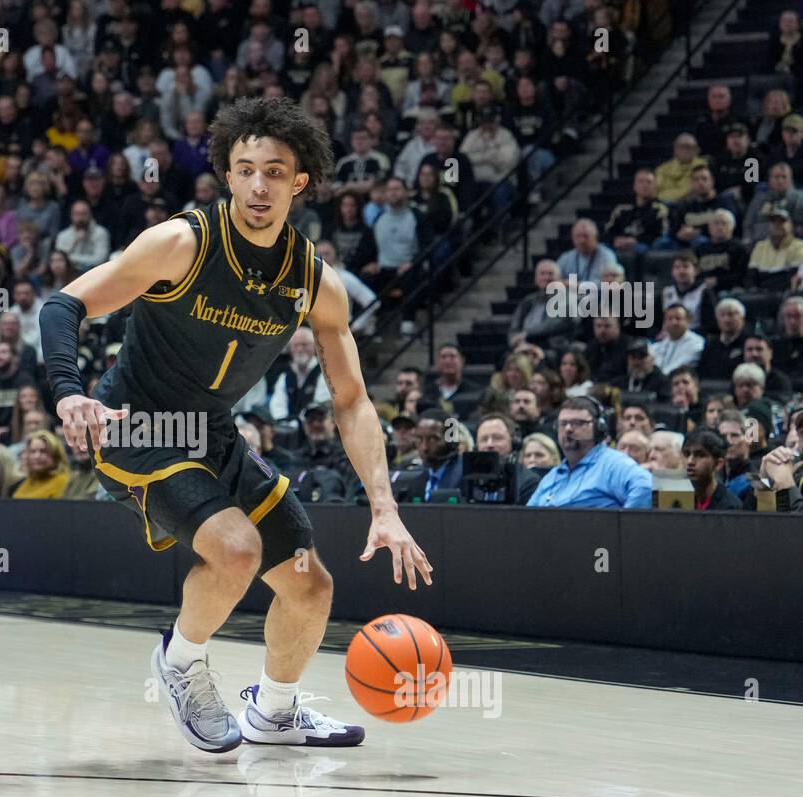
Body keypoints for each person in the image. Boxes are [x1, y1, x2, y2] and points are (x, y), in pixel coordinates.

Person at [40, 97, 430, 753]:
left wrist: (383, 507)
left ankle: (274, 715)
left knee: (309, 585)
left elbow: (352, 400)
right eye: (245, 168)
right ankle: (181, 662)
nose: (258, 185)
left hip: (212, 434)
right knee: (238, 550)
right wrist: (68, 392)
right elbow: (64, 303)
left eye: (275, 172)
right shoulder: (180, 243)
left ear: (300, 181)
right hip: (136, 427)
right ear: (227, 174)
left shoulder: (313, 282)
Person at [527, 397, 653, 508]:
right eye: (563, 423)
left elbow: (645, 487)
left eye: (578, 423)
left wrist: (624, 529)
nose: (568, 429)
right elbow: (528, 517)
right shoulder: (552, 476)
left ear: (599, 428)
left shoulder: (614, 464)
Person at [682, 428, 742, 510]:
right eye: (687, 454)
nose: (690, 461)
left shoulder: (730, 507)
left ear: (718, 464)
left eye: (700, 455)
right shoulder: (680, 500)